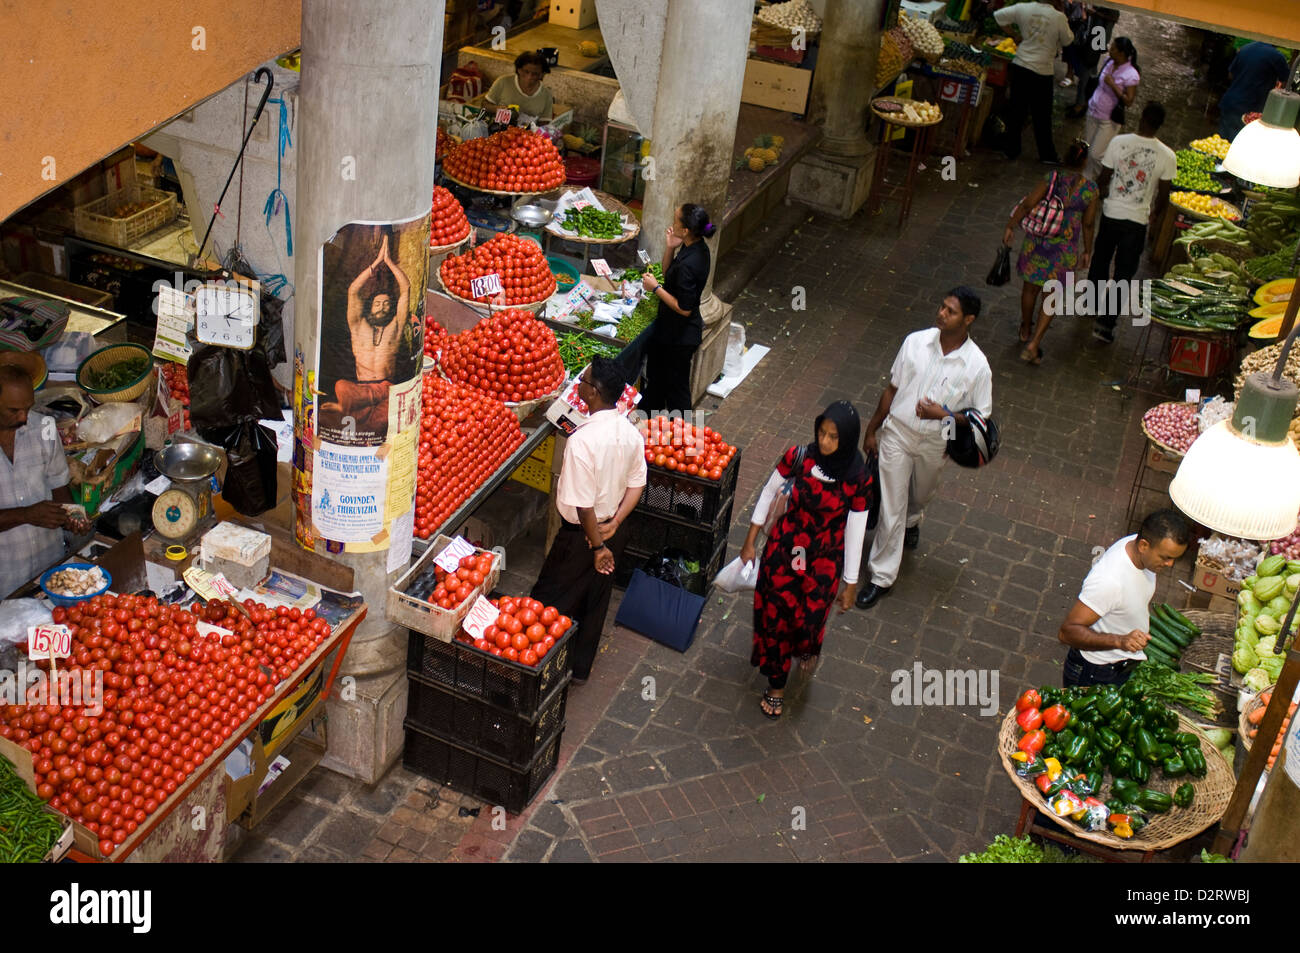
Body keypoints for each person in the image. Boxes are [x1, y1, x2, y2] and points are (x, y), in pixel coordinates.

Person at [856, 289, 993, 610]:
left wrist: (942, 414)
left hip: (936, 444)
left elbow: (980, 417)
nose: (942, 313)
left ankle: (913, 519)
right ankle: (881, 576)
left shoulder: (977, 366)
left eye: (951, 311)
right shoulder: (915, 342)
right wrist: (872, 428)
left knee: (919, 495)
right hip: (897, 436)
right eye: (942, 306)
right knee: (892, 505)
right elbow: (892, 388)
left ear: (968, 320)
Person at [739, 401, 873, 719]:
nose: (824, 442)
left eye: (833, 437)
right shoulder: (799, 457)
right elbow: (769, 494)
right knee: (776, 620)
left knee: (809, 622)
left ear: (848, 439)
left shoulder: (859, 479)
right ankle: (776, 685)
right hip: (785, 553)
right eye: (821, 433)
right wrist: (750, 543)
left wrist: (851, 583)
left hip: (822, 564)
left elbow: (855, 531)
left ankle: (807, 646)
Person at [531, 357, 646, 684]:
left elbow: (582, 506)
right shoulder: (629, 431)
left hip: (583, 538)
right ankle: (579, 667)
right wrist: (615, 524)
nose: (576, 383)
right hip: (611, 530)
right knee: (595, 599)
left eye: (582, 379)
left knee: (548, 598)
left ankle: (536, 668)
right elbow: (637, 483)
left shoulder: (582, 440)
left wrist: (597, 546)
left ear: (592, 393)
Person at [1057, 509, 1189, 686]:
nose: (1170, 564)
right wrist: (1120, 640)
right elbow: (1067, 633)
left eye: (1174, 558)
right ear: (1143, 545)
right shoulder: (1109, 582)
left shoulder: (1138, 548)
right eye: (1165, 558)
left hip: (1121, 663)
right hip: (1096, 672)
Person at [1004, 139, 1099, 364]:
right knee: (1052, 296)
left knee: (1030, 289)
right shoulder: (1090, 190)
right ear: (1084, 161)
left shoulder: (1051, 179)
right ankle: (1035, 342)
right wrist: (1087, 250)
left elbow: (1028, 204)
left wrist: (1011, 225)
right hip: (1065, 250)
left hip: (1038, 241)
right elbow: (1088, 224)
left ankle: (1026, 327)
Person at [1089, 102, 1175, 344]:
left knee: (1101, 260)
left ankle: (1092, 304)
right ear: (1160, 125)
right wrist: (1154, 218)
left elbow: (1103, 179)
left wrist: (1098, 201)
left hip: (1111, 213)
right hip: (1137, 221)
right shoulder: (1168, 156)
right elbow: (1163, 197)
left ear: (1142, 118)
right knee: (1124, 273)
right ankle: (1105, 325)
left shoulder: (1118, 142)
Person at [0, 366, 81, 598]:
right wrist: (26, 515)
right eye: (13, 410)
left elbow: (59, 485)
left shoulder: (42, 428)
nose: (23, 417)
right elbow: (29, 513)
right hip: (6, 580)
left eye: (27, 408)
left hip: (51, 568)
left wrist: (74, 516)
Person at [324, 233, 411, 435]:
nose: (381, 308)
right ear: (369, 308)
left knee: (385, 414)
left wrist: (388, 262)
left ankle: (345, 408)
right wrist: (376, 264)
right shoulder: (358, 326)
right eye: (377, 304)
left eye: (387, 304)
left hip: (385, 389)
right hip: (360, 388)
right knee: (342, 386)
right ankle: (347, 406)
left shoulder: (394, 328)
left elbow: (405, 289)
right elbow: (353, 291)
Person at [638, 204, 713, 415]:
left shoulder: (691, 262)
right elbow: (668, 272)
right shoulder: (694, 247)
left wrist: (655, 288)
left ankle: (685, 439)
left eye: (676, 221)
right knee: (657, 382)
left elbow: (684, 308)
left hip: (680, 337)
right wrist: (670, 247)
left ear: (686, 230)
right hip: (670, 332)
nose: (672, 224)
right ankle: (647, 427)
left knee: (677, 393)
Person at [995, 0, 1074, 164]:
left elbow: (999, 16)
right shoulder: (1059, 17)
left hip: (1021, 65)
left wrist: (1014, 35)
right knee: (1042, 115)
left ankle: (1011, 149)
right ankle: (1047, 155)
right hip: (1042, 71)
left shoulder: (1023, 8)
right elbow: (1068, 40)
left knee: (1017, 110)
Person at [1082, 37, 1140, 181]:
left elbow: (1129, 101)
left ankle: (1104, 179)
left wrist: (1113, 85)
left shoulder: (1131, 75)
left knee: (1097, 154)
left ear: (1121, 53)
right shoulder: (1108, 61)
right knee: (1090, 150)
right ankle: (1088, 178)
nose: (1110, 50)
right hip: (1093, 111)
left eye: (1113, 48)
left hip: (1108, 119)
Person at [1218, 41, 1290, 143]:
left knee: (1220, 145)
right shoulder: (1277, 57)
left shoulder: (1246, 48)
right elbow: (1286, 82)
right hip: (1249, 110)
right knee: (1239, 146)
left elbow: (1230, 74)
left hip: (1230, 103)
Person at [1065, 5, 1120, 119]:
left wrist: (1094, 13)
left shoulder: (1112, 7)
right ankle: (1082, 102)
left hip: (1096, 38)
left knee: (1086, 71)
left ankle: (1081, 104)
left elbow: (1114, 17)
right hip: (1092, 36)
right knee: (1087, 71)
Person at [485, 50, 554, 119]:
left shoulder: (546, 94)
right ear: (519, 69)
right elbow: (485, 105)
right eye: (526, 72)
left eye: (535, 74)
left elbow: (545, 122)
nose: (529, 77)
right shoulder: (503, 82)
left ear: (542, 74)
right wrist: (497, 109)